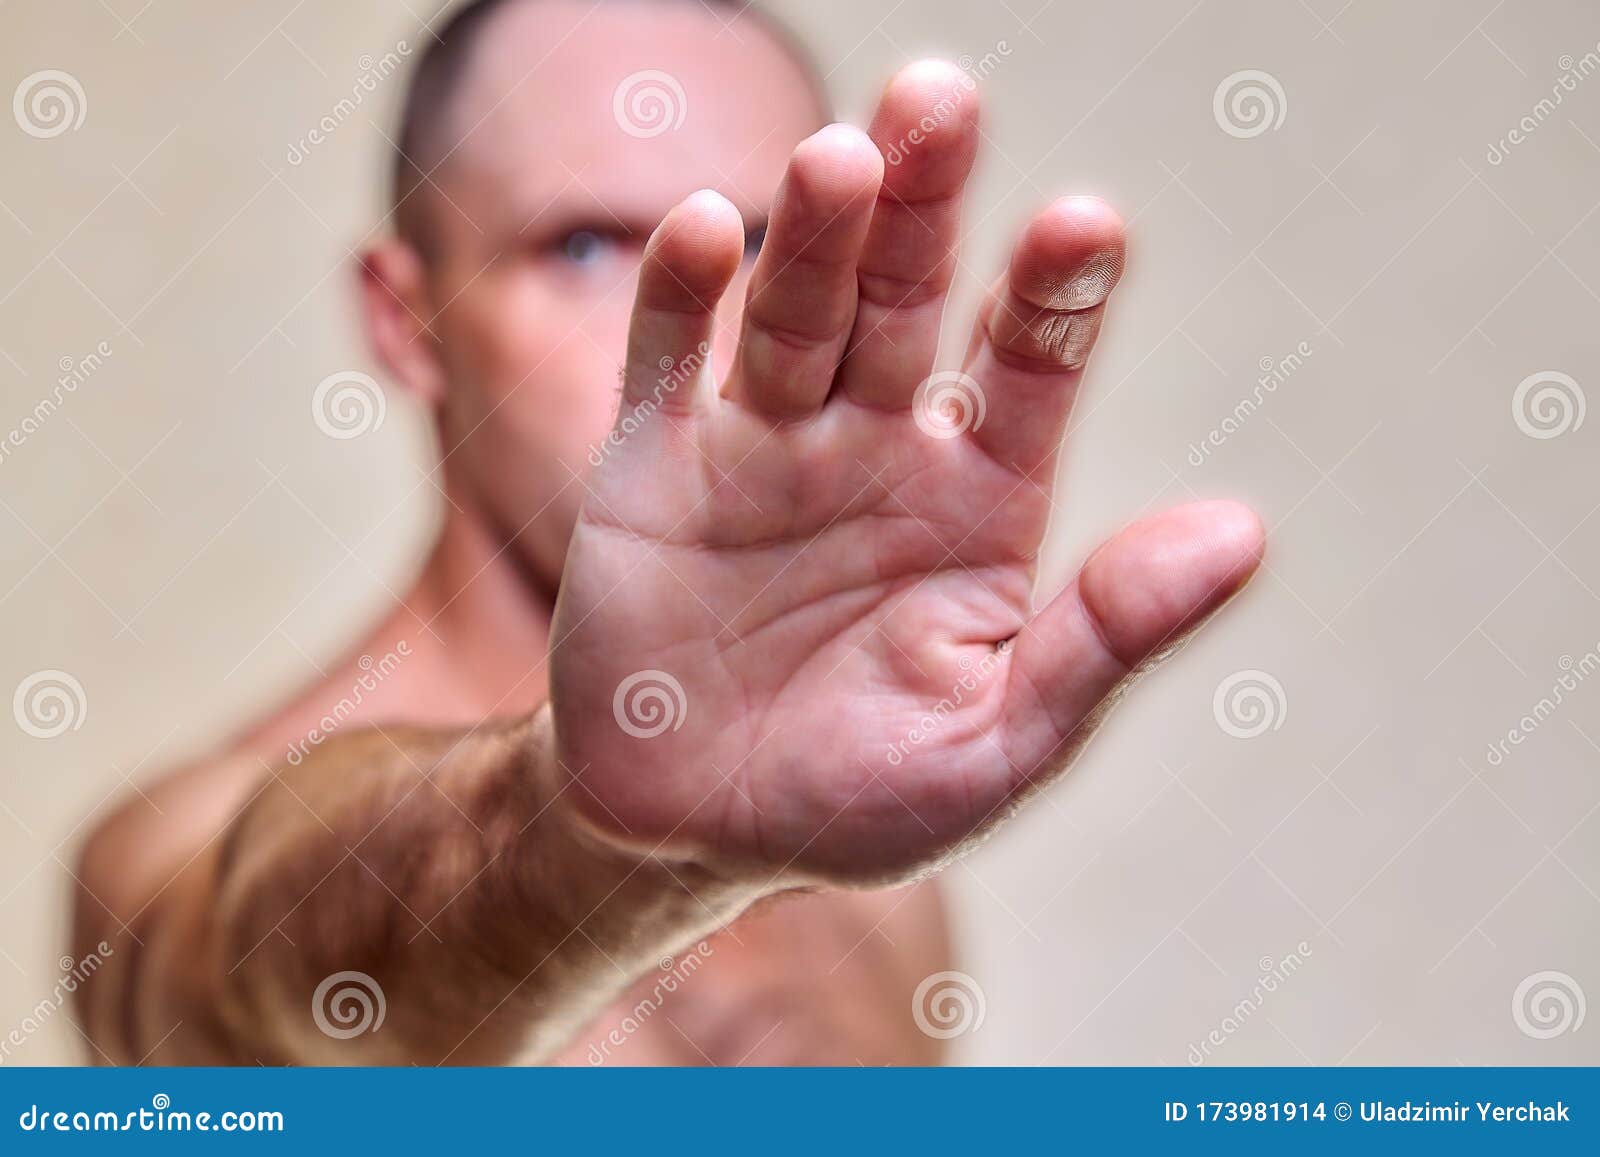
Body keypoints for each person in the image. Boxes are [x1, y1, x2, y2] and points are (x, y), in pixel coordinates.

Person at [70, 0, 1264, 1065]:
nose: (692, 319)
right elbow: (265, 976)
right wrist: (586, 831)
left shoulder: (868, 864)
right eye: (584, 246)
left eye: (765, 240)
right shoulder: (177, 862)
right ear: (405, 318)